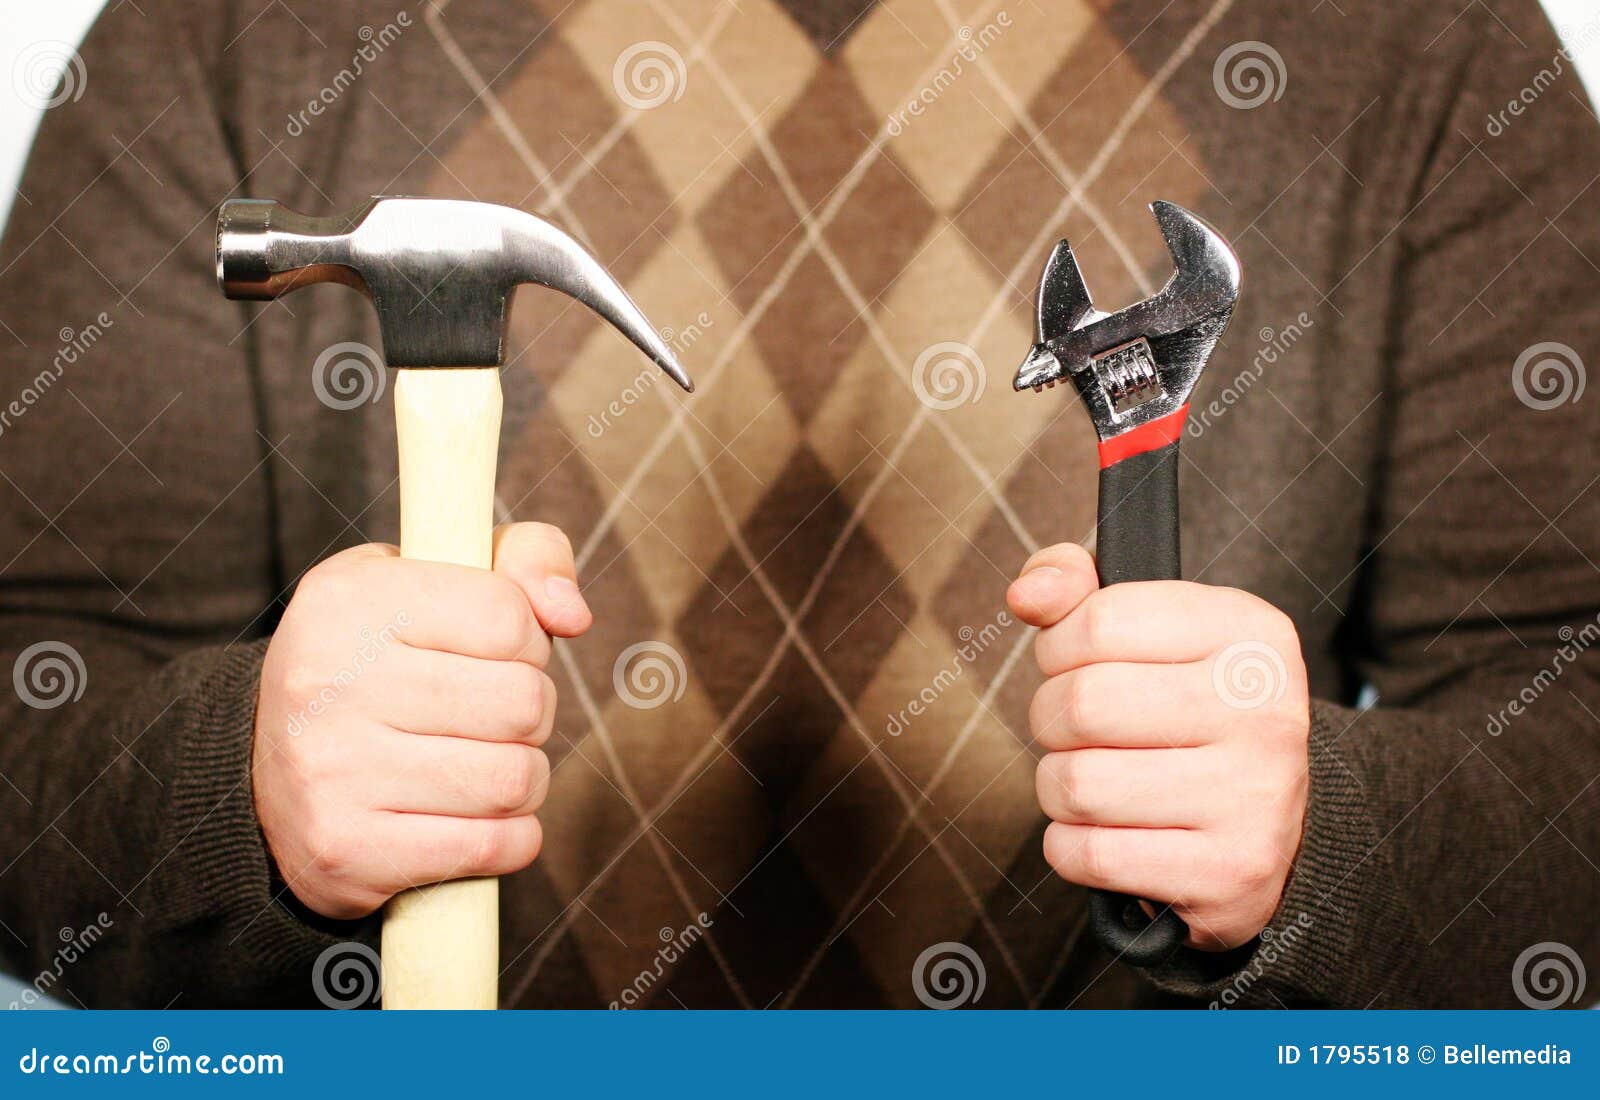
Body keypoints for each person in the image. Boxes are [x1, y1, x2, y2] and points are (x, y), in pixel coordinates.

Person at [0, 0, 1595, 1009]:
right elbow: (29, 707)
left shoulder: (1428, 42)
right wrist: (236, 784)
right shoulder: (225, 28)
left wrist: (1343, 836)